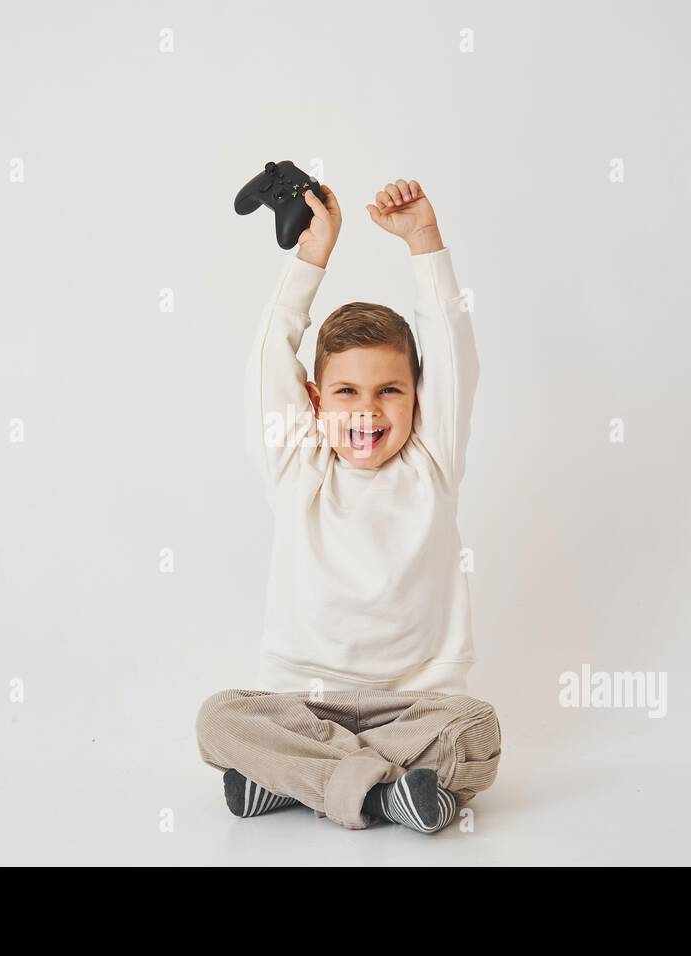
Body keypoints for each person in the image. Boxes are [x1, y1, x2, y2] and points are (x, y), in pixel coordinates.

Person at [196, 178, 501, 832]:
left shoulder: (432, 462)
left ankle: (307, 780)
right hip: (304, 705)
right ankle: (385, 792)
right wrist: (312, 256)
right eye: (346, 392)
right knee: (219, 718)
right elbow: (265, 363)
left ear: (418, 399)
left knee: (476, 730)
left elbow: (453, 352)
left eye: (389, 390)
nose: (366, 409)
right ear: (313, 400)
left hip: (417, 707)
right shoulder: (295, 466)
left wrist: (423, 240)